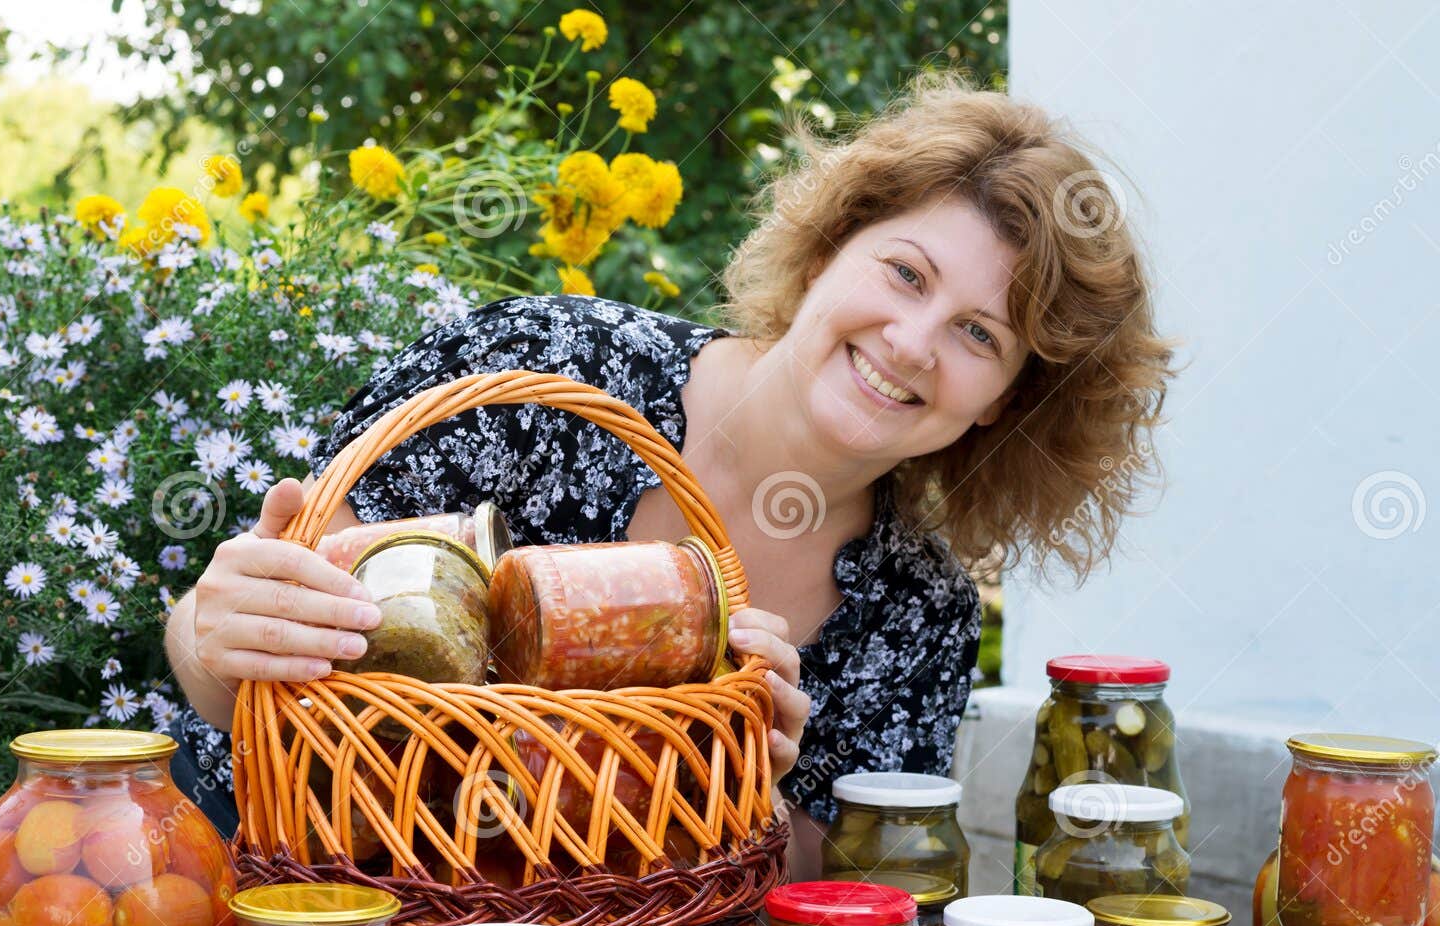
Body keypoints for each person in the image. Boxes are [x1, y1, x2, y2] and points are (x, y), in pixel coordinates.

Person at [164, 75, 1174, 881]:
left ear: (1004, 400)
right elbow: (245, 663)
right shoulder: (543, 370)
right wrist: (213, 628)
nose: (912, 342)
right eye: (905, 273)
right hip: (283, 898)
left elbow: (819, 906)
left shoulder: (918, 613)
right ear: (826, 252)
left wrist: (747, 788)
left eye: (978, 334)